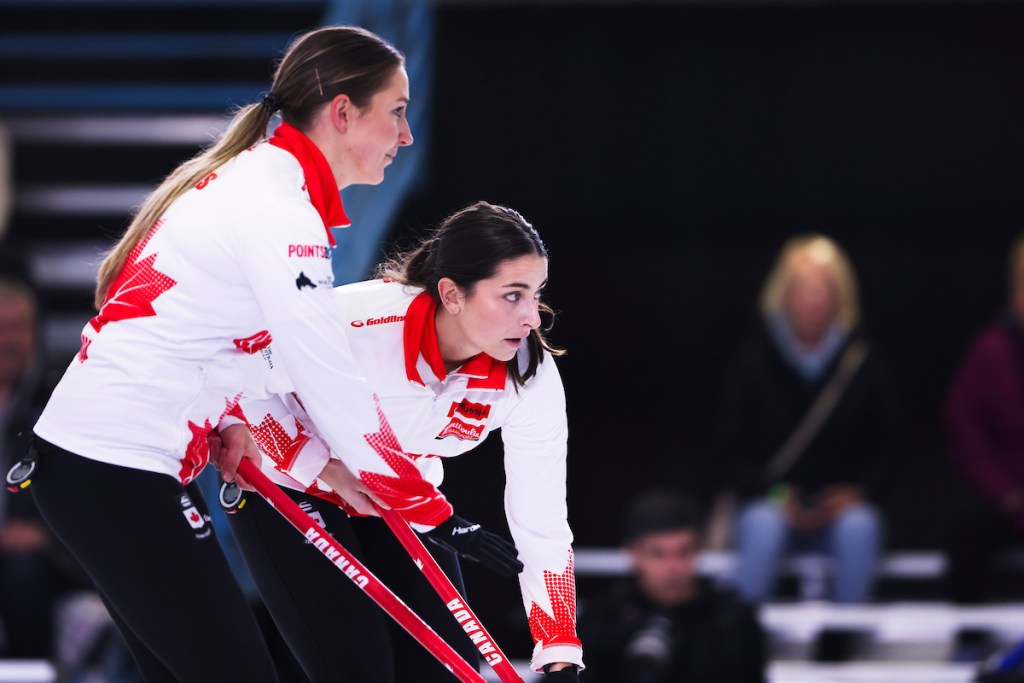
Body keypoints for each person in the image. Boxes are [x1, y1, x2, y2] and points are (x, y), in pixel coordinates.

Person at [24, 25, 458, 682]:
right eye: (396, 111)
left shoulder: (260, 185)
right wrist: (415, 495)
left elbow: (235, 354)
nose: (407, 134)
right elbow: (324, 371)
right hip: (115, 468)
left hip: (104, 466)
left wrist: (312, 460)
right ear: (342, 112)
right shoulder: (278, 210)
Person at [217, 200, 583, 681]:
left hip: (407, 498)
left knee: (444, 672)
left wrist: (558, 649)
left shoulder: (528, 373)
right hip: (292, 488)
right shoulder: (356, 322)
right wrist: (324, 467)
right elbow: (235, 381)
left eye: (536, 294)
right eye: (512, 296)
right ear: (452, 294)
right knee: (358, 668)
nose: (533, 317)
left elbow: (541, 519)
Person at [711, 234, 904, 604]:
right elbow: (726, 451)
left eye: (823, 289)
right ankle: (742, 641)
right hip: (770, 500)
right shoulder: (752, 361)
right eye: (802, 289)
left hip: (840, 507)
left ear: (840, 295)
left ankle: (839, 644)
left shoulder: (863, 363)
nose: (813, 301)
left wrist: (857, 492)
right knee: (763, 525)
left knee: (861, 526)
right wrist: (778, 495)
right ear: (782, 294)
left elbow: (889, 447)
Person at [576, 488, 767, 683]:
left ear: (698, 550)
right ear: (633, 553)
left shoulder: (731, 620)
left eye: (684, 552)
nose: (672, 568)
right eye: (658, 554)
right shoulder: (604, 617)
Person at [0, 277, 91, 661]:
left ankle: (30, 672)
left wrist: (43, 533)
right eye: (0, 329)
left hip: (48, 557)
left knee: (23, 568)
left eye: (18, 327)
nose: (9, 340)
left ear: (35, 334)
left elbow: (88, 494)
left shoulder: (60, 400)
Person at [943, 233, 1024, 604]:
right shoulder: (990, 351)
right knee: (968, 531)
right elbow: (965, 430)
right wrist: (1005, 492)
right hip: (1005, 498)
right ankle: (970, 641)